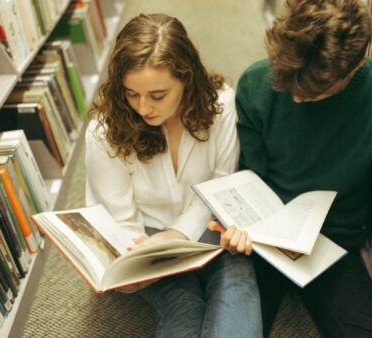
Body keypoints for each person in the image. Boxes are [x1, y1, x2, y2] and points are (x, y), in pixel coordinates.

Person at [220, 0, 372, 336]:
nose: (298, 98)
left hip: (333, 245)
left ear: (357, 65)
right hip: (261, 239)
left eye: (315, 92)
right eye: (290, 84)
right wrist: (236, 226)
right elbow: (249, 179)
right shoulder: (257, 84)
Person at [85, 13, 261, 338]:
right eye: (131, 93)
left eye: (157, 95)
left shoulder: (221, 106)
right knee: (183, 304)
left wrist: (179, 234)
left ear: (186, 78)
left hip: (210, 222)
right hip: (145, 236)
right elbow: (121, 221)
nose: (142, 107)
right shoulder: (104, 133)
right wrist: (135, 269)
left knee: (238, 285)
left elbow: (219, 186)